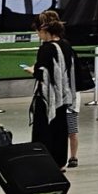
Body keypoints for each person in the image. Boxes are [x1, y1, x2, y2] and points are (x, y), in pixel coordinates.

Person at [30, 14, 74, 166]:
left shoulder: (46, 48)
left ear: (45, 31)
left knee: (44, 129)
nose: (38, 35)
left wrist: (32, 70)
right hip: (63, 94)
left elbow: (41, 72)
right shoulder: (66, 45)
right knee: (60, 129)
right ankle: (59, 161)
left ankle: (43, 162)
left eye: (38, 32)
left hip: (47, 96)